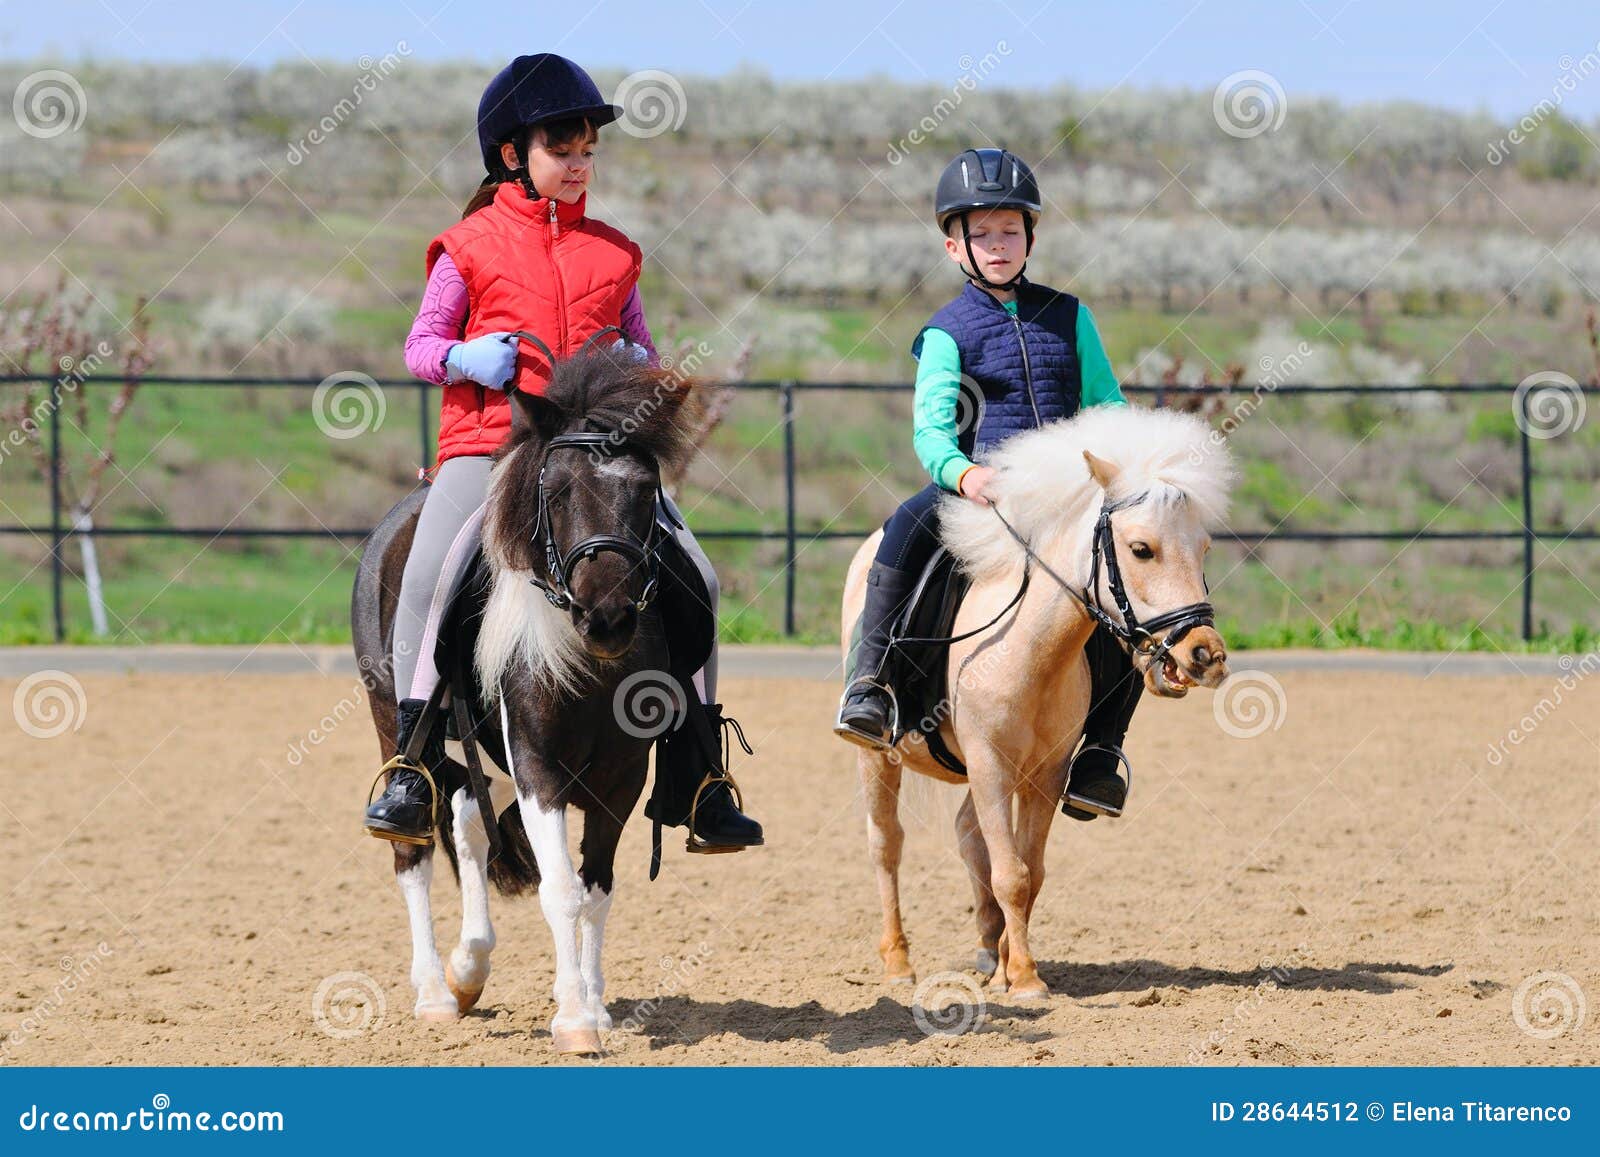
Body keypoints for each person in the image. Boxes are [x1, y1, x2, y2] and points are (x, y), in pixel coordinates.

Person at [364, 53, 762, 850]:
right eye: (562, 149)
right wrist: (468, 359)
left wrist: (647, 381)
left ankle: (699, 771)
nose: (579, 165)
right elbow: (419, 346)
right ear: (515, 154)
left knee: (698, 576)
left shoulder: (616, 254)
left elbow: (643, 349)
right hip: (492, 446)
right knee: (431, 576)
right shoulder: (466, 245)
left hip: (595, 457)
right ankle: (411, 763)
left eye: (587, 151)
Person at [833, 146, 1144, 821]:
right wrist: (965, 473)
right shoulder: (946, 332)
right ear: (955, 247)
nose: (996, 244)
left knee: (1127, 587)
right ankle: (872, 685)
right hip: (983, 490)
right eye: (981, 233)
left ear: (1030, 236)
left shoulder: (1071, 316)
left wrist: (1113, 454)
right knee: (905, 532)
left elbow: (1108, 401)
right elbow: (931, 432)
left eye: (1009, 230)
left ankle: (1101, 750)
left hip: (1063, 497)